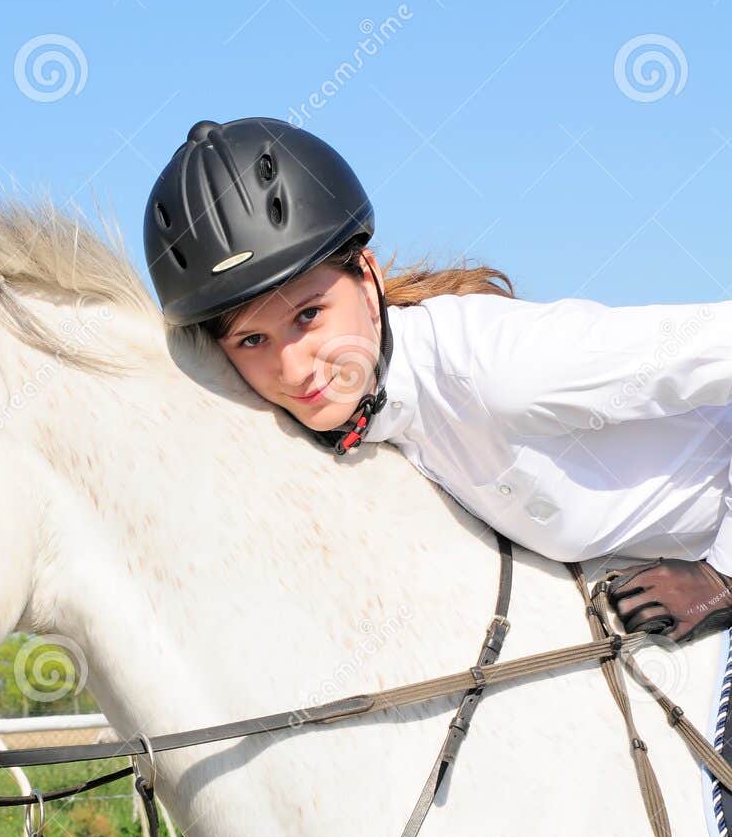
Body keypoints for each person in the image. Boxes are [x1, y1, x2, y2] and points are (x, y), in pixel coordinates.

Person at [143, 116, 732, 647]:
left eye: (308, 315)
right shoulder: (364, 414)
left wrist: (722, 576)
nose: (295, 370)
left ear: (368, 279)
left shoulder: (504, 368)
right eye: (253, 340)